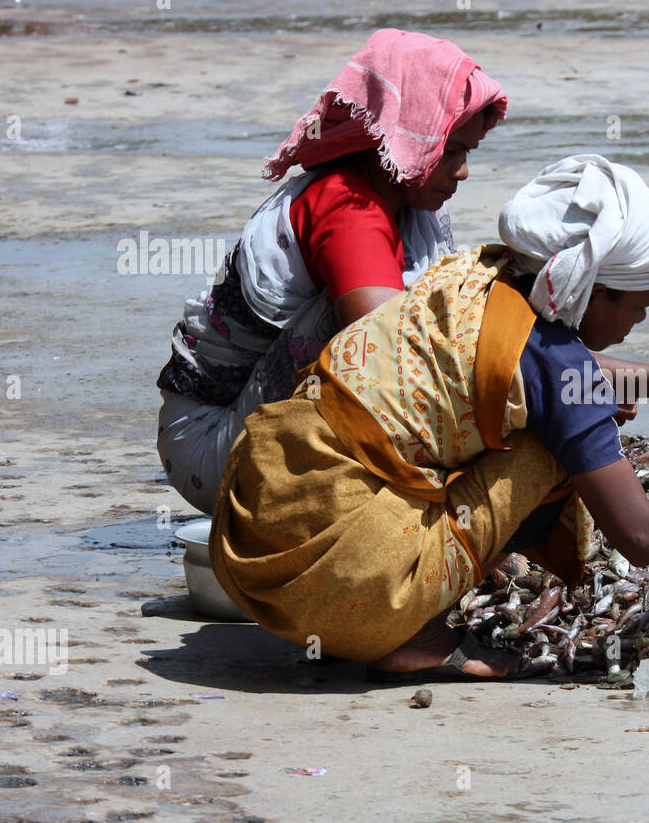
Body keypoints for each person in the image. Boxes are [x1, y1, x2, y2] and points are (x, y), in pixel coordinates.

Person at [208, 155, 649, 682]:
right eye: (639, 306)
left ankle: (389, 610)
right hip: (331, 576)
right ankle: (413, 637)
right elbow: (642, 536)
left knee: (553, 414)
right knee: (548, 448)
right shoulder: (562, 373)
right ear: (592, 288)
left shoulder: (480, 275)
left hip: (256, 536)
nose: (640, 322)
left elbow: (538, 366)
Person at [156, 29, 507, 513]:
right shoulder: (349, 206)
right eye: (450, 152)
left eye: (468, 152)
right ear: (407, 137)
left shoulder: (400, 205)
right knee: (401, 337)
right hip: (213, 442)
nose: (463, 171)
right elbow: (397, 347)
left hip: (250, 422)